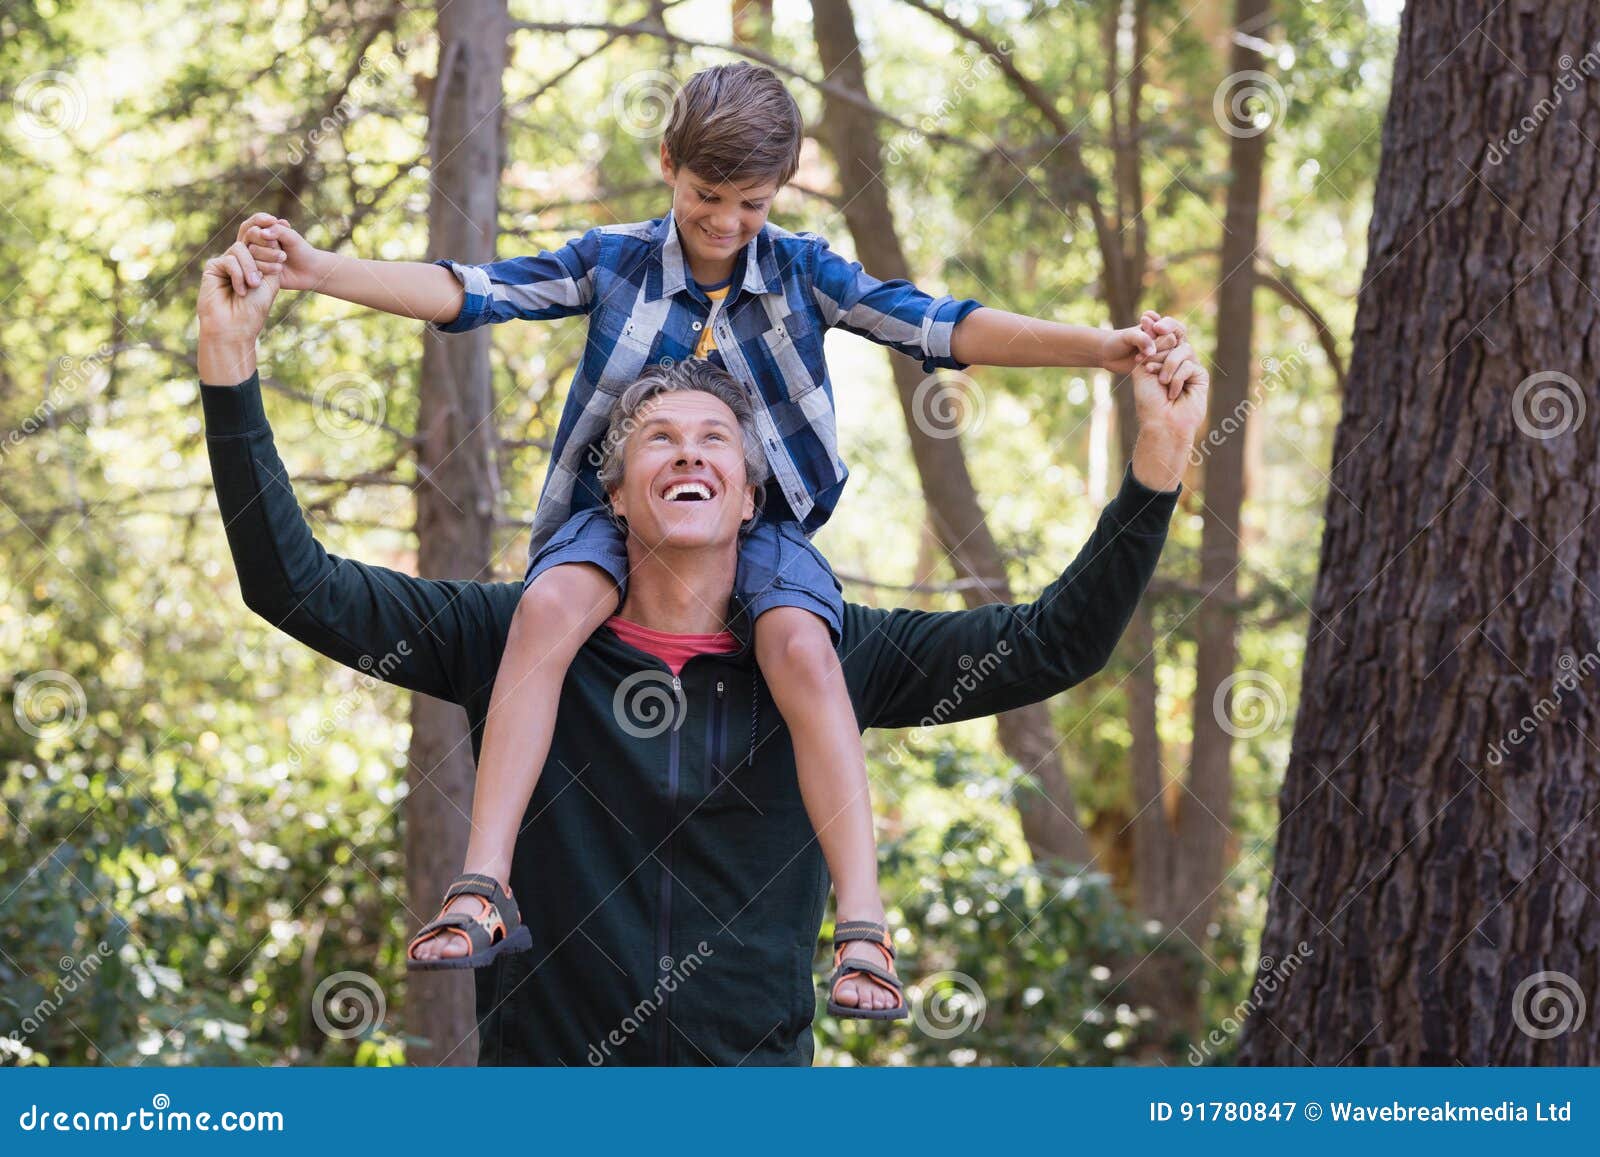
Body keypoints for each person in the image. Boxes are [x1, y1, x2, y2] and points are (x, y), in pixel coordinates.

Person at [221, 60, 1190, 1012]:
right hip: (604, 522)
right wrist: (317, 271)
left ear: (784, 190)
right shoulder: (615, 261)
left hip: (766, 533)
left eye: (750, 205)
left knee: (802, 645)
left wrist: (1102, 350)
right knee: (548, 607)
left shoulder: (805, 273)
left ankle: (863, 920)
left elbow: (944, 329)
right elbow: (470, 291)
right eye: (705, 197)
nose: (725, 223)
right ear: (668, 166)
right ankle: (482, 882)